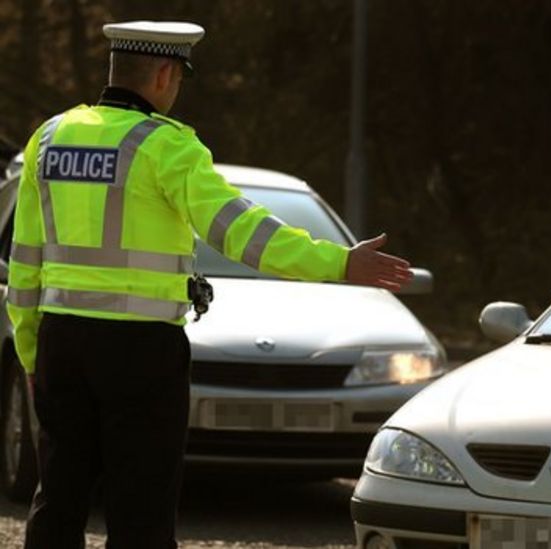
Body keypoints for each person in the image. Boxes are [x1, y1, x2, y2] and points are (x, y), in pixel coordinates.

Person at [5, 20, 412, 548]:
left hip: (62, 342)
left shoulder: (51, 137)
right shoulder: (167, 147)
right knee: (141, 506)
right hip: (140, 350)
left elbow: (24, 261)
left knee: (58, 498)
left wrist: (32, 352)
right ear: (165, 74)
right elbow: (240, 230)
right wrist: (337, 263)